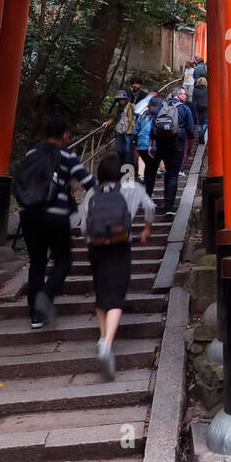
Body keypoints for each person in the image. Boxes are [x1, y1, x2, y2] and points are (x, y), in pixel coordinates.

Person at [11, 116, 96, 329]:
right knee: (63, 261)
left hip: (29, 214)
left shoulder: (32, 152)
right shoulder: (67, 155)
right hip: (56, 216)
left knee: (37, 264)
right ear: (65, 135)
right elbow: (88, 182)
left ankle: (35, 316)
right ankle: (45, 299)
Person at [79, 153, 155, 381]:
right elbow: (150, 207)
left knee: (102, 294)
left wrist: (92, 240)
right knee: (116, 296)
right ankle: (107, 344)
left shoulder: (93, 192)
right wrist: (146, 230)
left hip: (97, 248)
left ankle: (103, 340)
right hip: (120, 246)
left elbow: (83, 225)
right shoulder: (132, 188)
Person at [148, 89, 190, 214]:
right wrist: (190, 146)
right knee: (173, 174)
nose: (186, 96)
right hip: (177, 143)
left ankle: (162, 201)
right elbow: (191, 130)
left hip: (161, 143)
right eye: (184, 94)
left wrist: (151, 145)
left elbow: (153, 127)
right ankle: (169, 206)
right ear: (177, 94)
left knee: (167, 171)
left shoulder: (161, 106)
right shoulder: (184, 108)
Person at [104, 89, 136, 169]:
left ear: (125, 98)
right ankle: (122, 165)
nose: (120, 100)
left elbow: (136, 116)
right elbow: (114, 118)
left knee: (128, 150)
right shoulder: (118, 108)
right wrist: (107, 123)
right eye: (119, 99)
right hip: (119, 130)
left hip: (129, 130)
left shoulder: (131, 106)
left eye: (122, 98)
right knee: (119, 150)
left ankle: (128, 168)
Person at [135, 93, 160, 193]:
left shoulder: (143, 115)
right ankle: (148, 195)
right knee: (151, 170)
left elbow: (136, 130)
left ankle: (147, 194)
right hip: (154, 146)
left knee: (148, 169)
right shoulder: (159, 115)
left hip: (141, 146)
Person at [192, 74, 208, 144]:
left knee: (200, 123)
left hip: (198, 107)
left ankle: (200, 134)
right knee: (205, 122)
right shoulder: (208, 89)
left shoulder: (195, 90)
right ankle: (201, 134)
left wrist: (194, 109)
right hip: (206, 107)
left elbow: (193, 101)